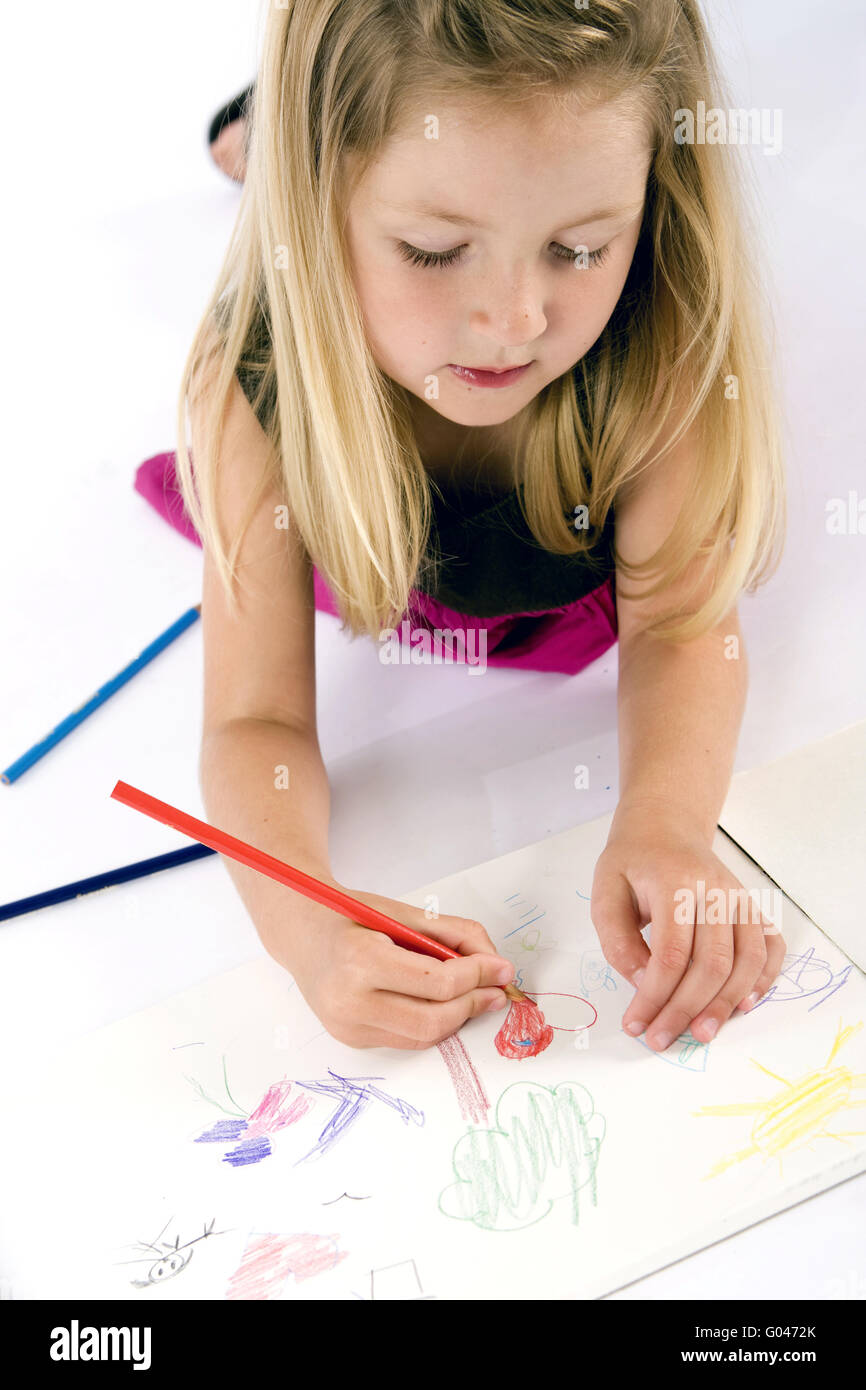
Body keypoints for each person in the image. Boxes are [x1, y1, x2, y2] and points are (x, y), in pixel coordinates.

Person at [136, 0, 787, 1053]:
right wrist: (307, 924)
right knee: (283, 143)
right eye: (435, 250)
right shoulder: (257, 385)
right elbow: (252, 724)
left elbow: (677, 624)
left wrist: (665, 825)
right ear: (323, 208)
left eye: (577, 246)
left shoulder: (659, 341)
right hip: (313, 175)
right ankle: (270, 138)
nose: (514, 319)